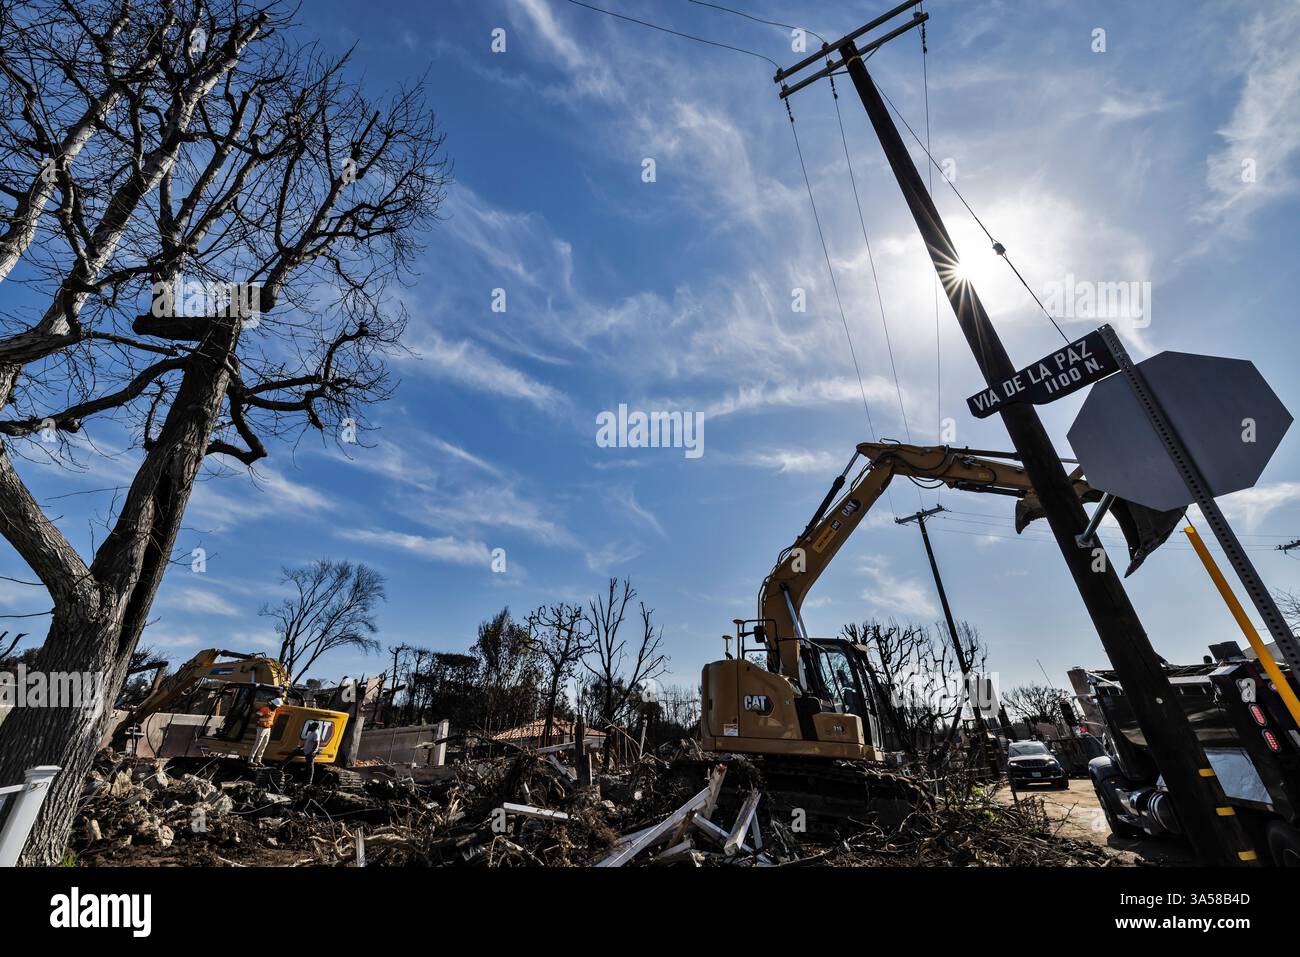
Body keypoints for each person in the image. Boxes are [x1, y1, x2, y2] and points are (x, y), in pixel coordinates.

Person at [249, 696, 282, 767]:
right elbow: (256, 717)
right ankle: (250, 760)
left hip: (268, 728)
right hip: (261, 728)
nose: (276, 707)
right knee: (257, 744)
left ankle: (258, 760)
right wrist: (261, 721)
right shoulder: (265, 709)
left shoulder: (273, 710)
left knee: (264, 745)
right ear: (272, 704)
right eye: (276, 706)